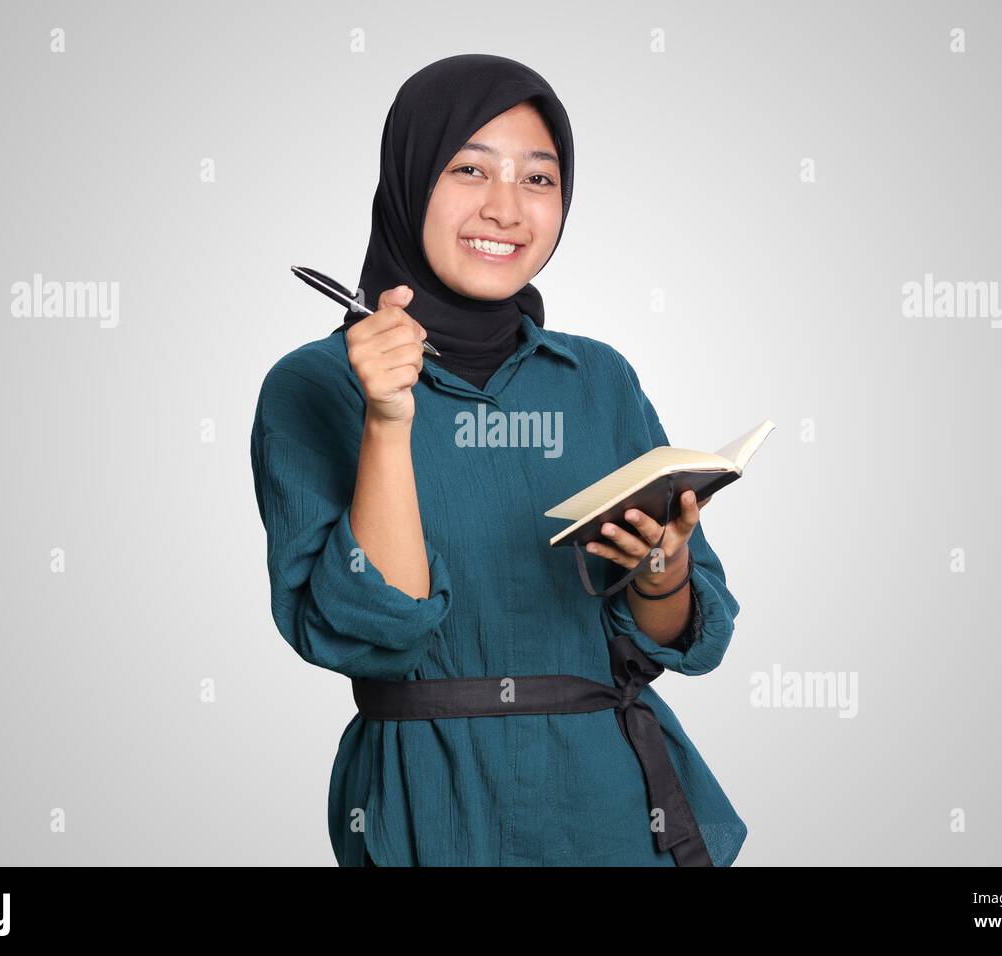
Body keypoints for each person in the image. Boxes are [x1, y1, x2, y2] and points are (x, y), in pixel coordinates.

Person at [250, 53, 747, 866]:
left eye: (539, 180)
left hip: (612, 807)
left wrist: (662, 576)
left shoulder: (599, 379)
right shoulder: (314, 386)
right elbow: (380, 628)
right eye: (470, 168)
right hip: (432, 806)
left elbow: (679, 640)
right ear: (409, 179)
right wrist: (387, 418)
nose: (506, 209)